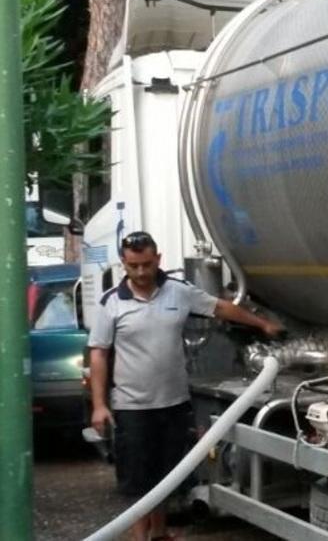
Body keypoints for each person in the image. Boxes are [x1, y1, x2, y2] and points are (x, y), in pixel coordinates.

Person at [88, 231, 284, 541]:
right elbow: (98, 353)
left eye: (147, 264)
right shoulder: (111, 303)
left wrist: (262, 324)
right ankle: (142, 538)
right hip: (132, 407)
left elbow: (221, 308)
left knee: (168, 475)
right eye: (133, 266)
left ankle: (160, 532)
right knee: (139, 480)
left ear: (158, 259)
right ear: (123, 264)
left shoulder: (179, 293)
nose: (141, 272)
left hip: (173, 403)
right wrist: (99, 405)